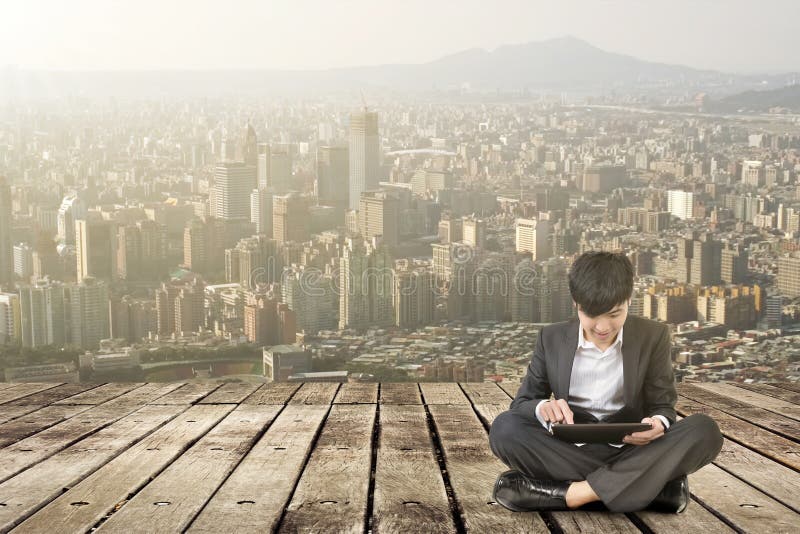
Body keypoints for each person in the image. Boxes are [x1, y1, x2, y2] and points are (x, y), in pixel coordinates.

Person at [489, 251, 723, 513]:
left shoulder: (652, 336)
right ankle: (652, 488)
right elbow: (521, 403)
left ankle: (574, 494)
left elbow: (663, 405)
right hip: (568, 450)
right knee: (504, 429)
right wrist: (541, 407)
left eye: (614, 314)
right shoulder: (551, 338)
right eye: (592, 315)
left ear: (629, 301)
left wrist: (658, 422)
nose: (603, 327)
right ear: (576, 304)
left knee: (705, 430)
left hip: (632, 451)